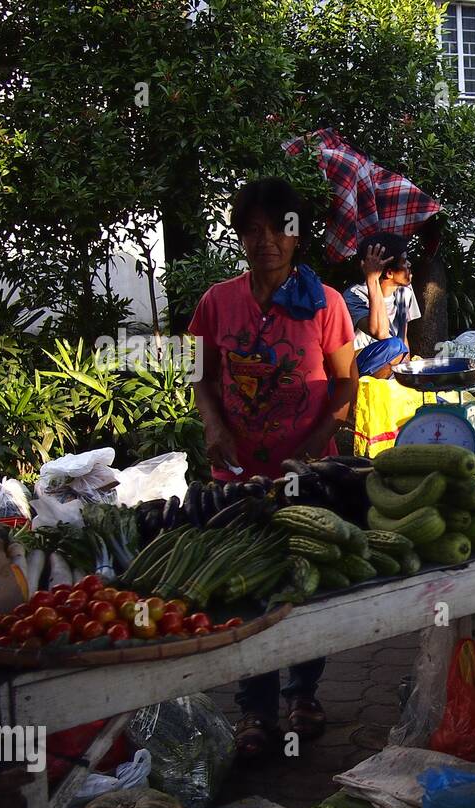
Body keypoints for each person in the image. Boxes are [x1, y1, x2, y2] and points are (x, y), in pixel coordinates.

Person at [189, 177, 357, 760]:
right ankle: (254, 709)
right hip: (238, 477)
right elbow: (202, 377)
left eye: (278, 228)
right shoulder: (216, 301)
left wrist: (314, 446)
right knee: (247, 590)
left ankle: (303, 694)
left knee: (302, 584)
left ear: (297, 235)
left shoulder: (326, 304)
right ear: (239, 235)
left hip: (307, 473)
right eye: (252, 229)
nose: (266, 241)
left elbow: (344, 383)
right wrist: (213, 427)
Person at [344, 233, 421, 378]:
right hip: (358, 370)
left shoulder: (405, 292)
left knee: (400, 349)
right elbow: (380, 332)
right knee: (394, 346)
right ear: (390, 273)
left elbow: (403, 337)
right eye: (404, 261)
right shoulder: (354, 295)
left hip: (391, 368)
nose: (409, 265)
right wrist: (372, 279)